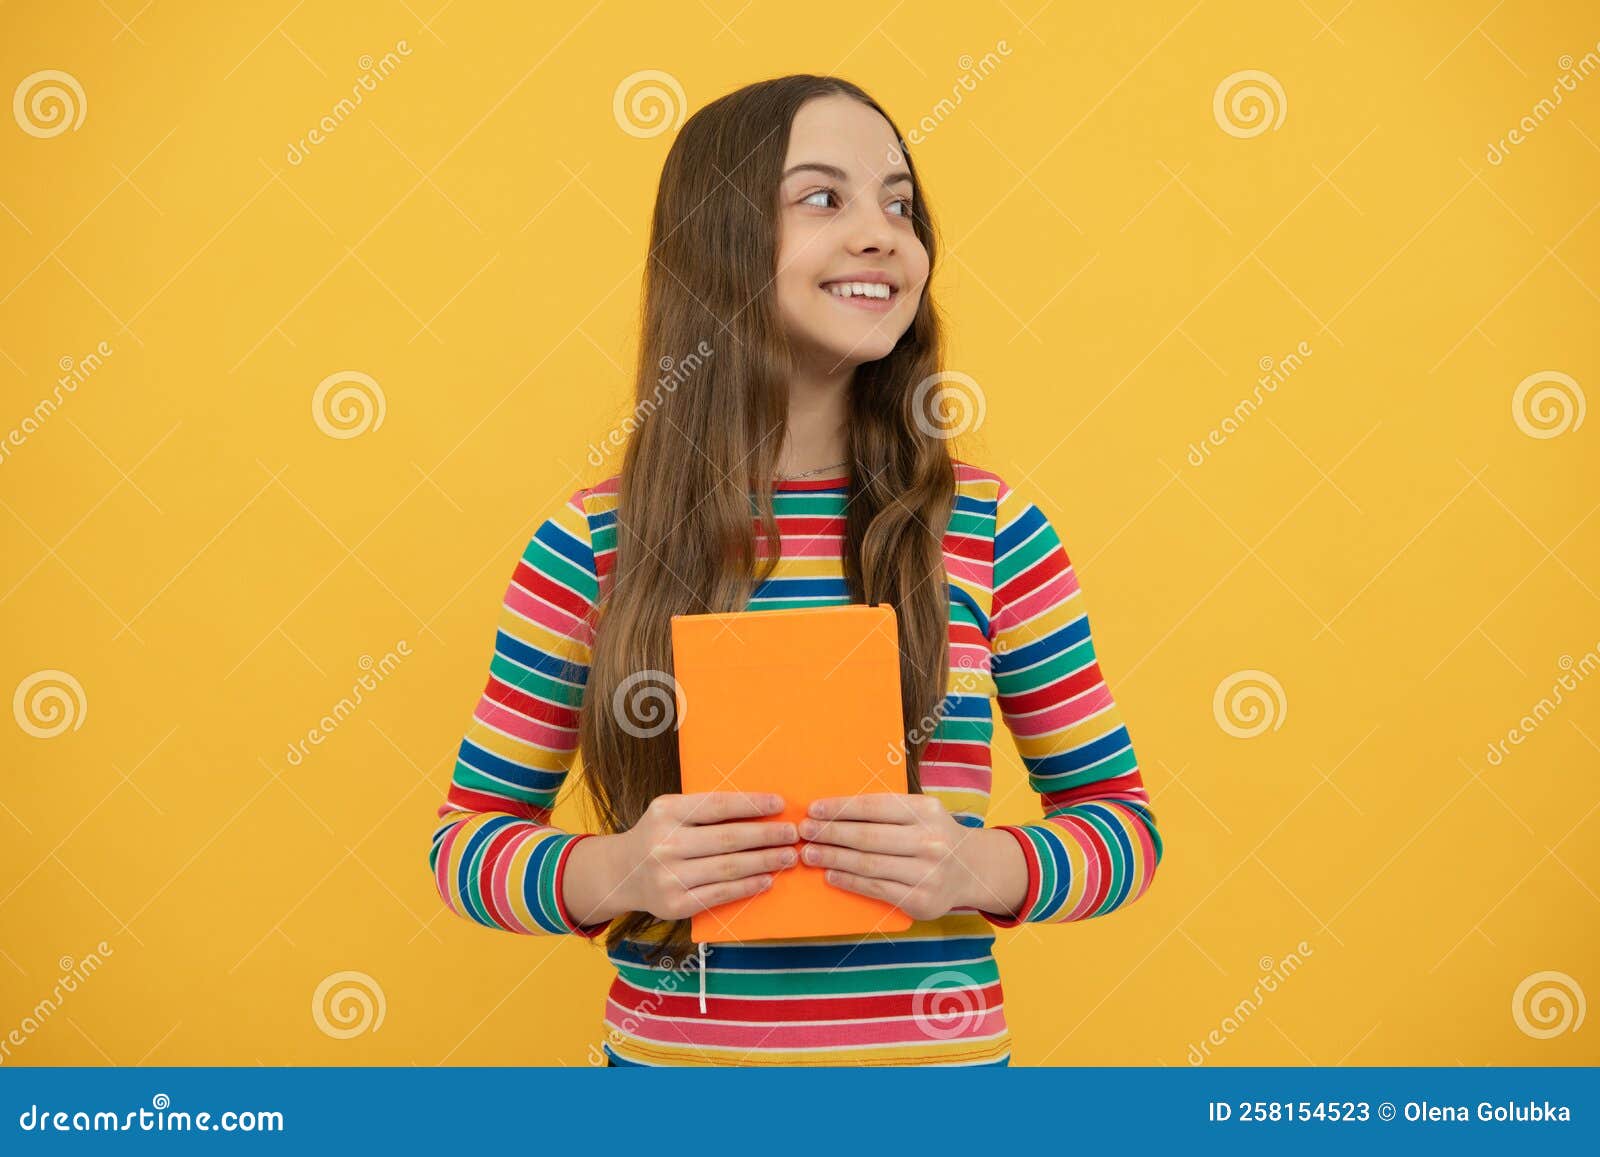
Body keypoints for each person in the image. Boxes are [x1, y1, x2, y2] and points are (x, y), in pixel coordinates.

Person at [427, 74, 1164, 1067]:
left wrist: (977, 863)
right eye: (823, 198)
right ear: (717, 244)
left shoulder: (992, 530)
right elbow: (467, 845)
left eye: (899, 204)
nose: (881, 233)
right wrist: (620, 869)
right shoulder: (591, 544)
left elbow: (1123, 830)